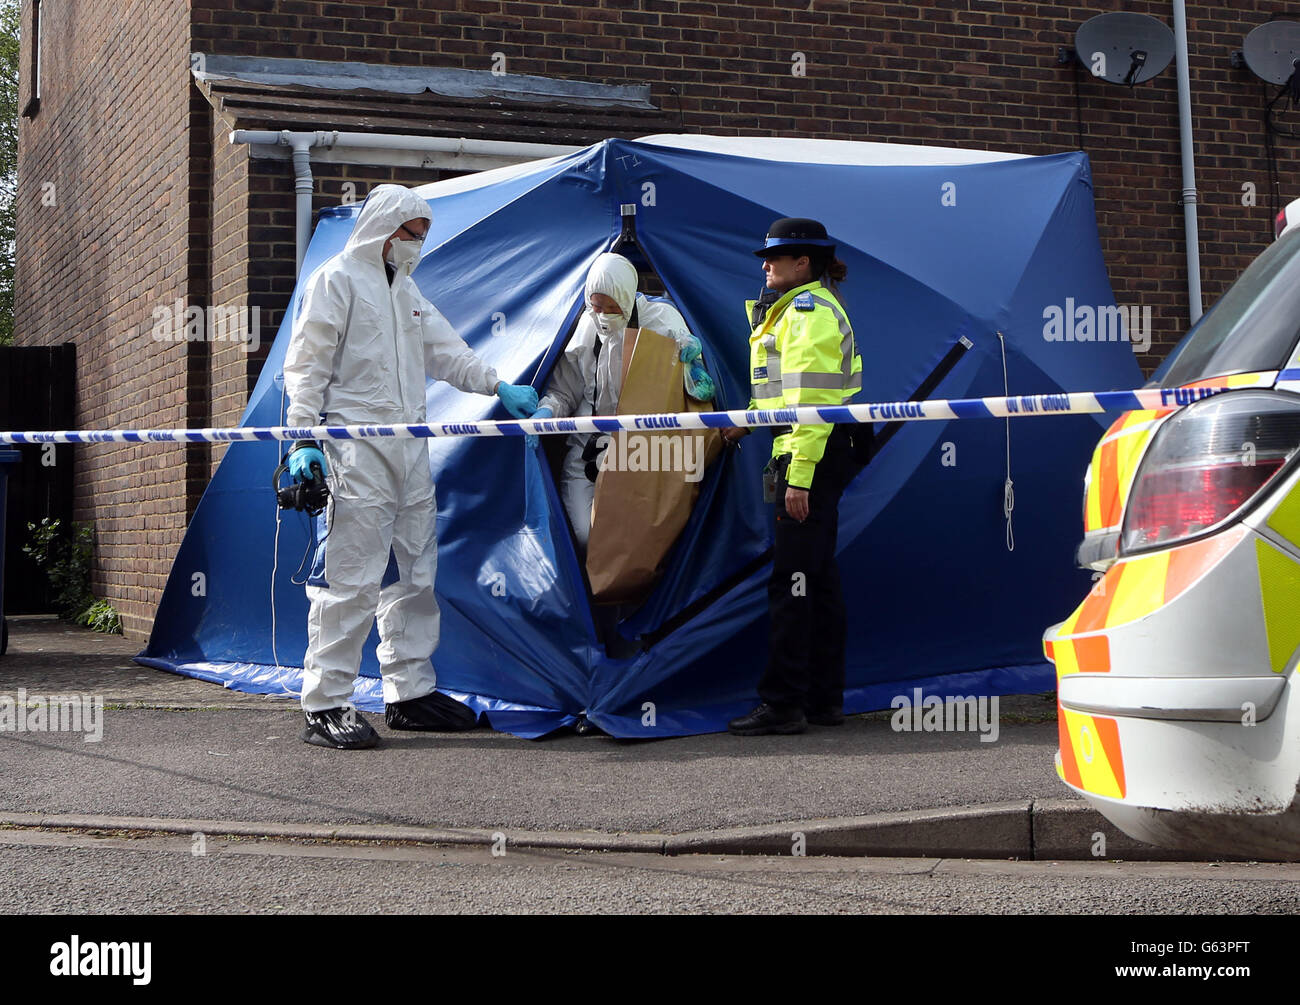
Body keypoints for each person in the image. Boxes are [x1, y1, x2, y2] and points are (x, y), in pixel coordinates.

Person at [282, 184, 539, 749]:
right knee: (351, 577)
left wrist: (497, 384)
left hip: (409, 448)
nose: (417, 245)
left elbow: (447, 352)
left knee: (415, 574)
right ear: (384, 228)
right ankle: (324, 703)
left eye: (422, 236)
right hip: (356, 449)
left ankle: (409, 691)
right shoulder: (336, 280)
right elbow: (306, 365)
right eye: (411, 234)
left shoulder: (407, 291)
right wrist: (302, 438)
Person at [726, 217, 866, 736]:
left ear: (802, 262)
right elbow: (783, 393)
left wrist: (800, 476)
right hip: (816, 449)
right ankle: (824, 701)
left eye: (774, 257)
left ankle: (784, 704)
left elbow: (812, 401)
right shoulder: (796, 309)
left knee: (792, 582)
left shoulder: (807, 312)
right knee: (817, 579)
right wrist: (745, 422)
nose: (765, 264)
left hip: (810, 453)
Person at [532, 252, 707, 551]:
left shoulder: (660, 321)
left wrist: (693, 367)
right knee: (585, 534)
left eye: (611, 307)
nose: (602, 315)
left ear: (626, 299)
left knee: (638, 537)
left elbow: (693, 382)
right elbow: (564, 391)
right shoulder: (585, 330)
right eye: (596, 306)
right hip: (588, 446)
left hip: (644, 449)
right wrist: (546, 410)